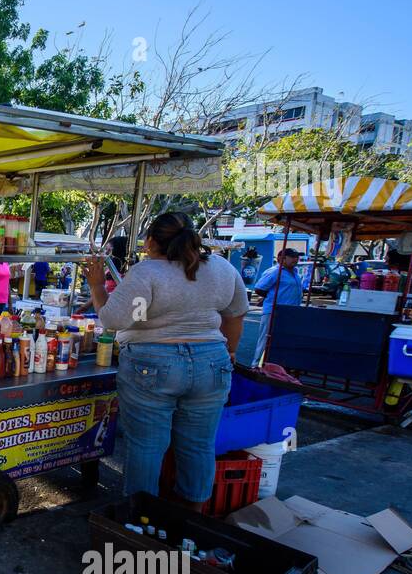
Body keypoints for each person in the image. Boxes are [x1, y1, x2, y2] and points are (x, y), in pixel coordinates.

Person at [87, 213, 249, 512]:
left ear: (151, 241)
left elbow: (113, 320)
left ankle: (141, 521)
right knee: (199, 445)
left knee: (148, 446)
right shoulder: (222, 268)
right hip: (212, 363)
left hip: (153, 364)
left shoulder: (147, 272)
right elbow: (236, 313)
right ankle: (192, 522)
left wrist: (97, 286)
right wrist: (232, 351)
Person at [251, 248, 303, 361]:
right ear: (282, 259)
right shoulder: (275, 271)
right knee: (266, 339)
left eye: (297, 257)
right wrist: (271, 297)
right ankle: (256, 364)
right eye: (292, 257)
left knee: (283, 340)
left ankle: (276, 365)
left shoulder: (295, 272)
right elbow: (259, 288)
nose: (296, 259)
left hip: (291, 312)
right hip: (275, 311)